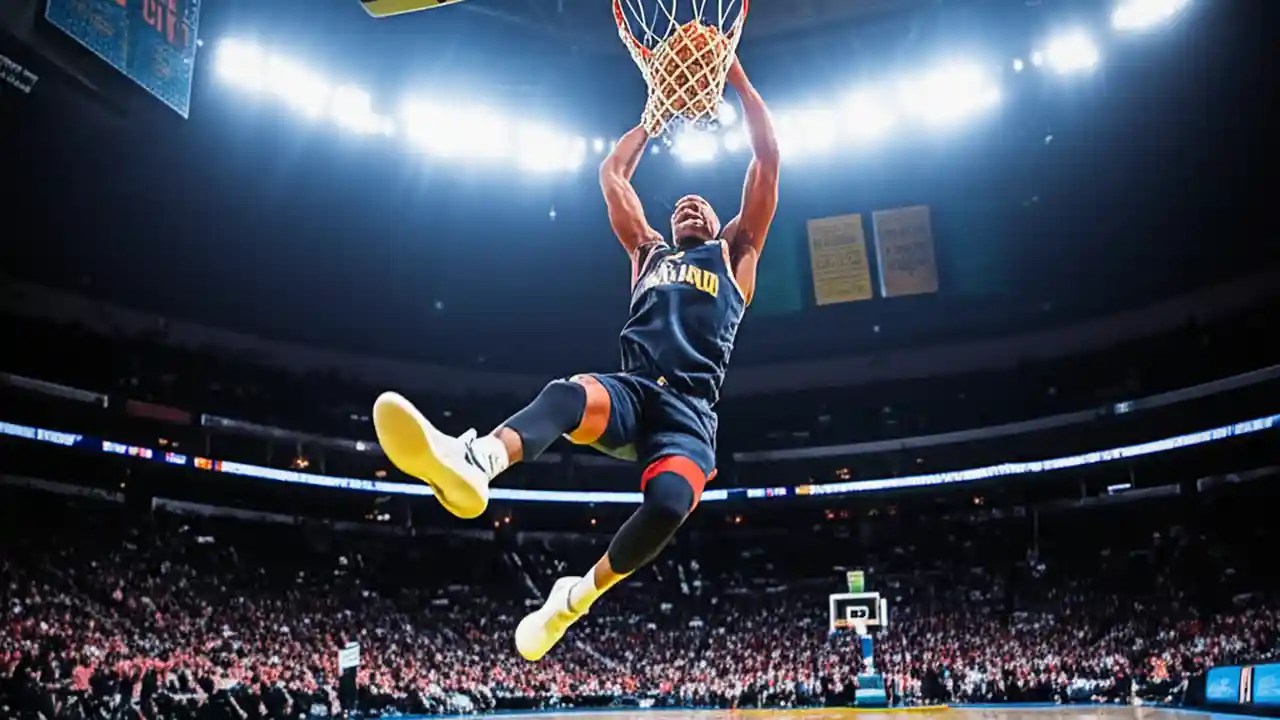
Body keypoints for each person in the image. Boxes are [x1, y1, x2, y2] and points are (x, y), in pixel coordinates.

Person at [372, 55, 779, 662]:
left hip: (689, 412)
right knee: (565, 394)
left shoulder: (737, 253)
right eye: (681, 205)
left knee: (669, 505)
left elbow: (767, 159)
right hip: (634, 392)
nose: (690, 205)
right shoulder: (648, 253)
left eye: (701, 205)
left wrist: (737, 80)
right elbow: (612, 174)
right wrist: (653, 115)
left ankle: (573, 598)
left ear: (721, 222)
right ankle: (476, 461)